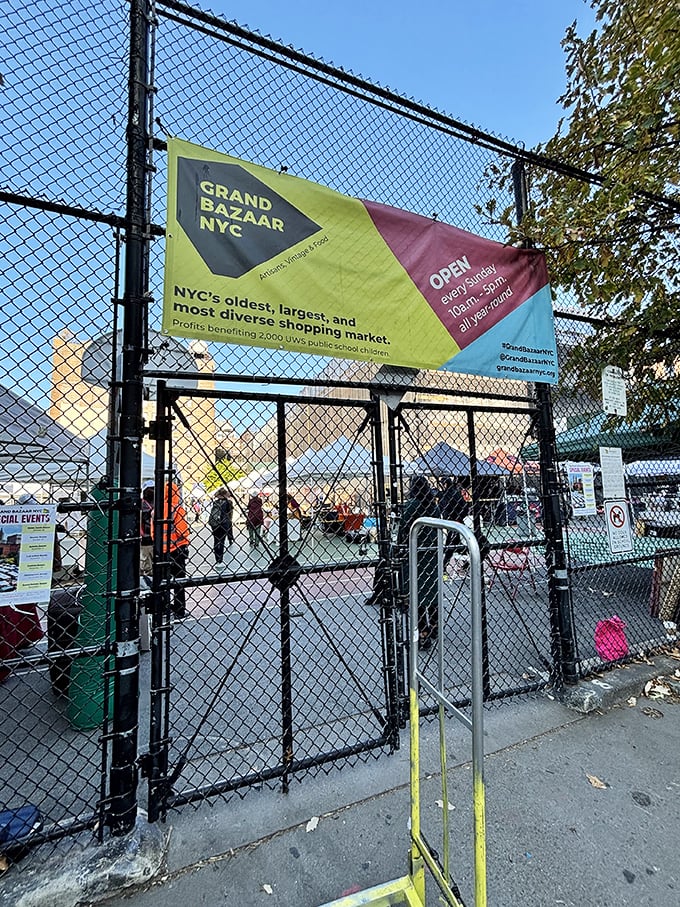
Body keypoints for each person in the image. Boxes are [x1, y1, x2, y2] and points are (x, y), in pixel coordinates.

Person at [398, 475, 441, 650]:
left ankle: (422, 635)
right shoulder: (433, 506)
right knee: (431, 592)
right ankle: (435, 627)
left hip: (416, 554)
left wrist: (400, 544)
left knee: (417, 595)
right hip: (432, 553)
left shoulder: (412, 505)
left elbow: (403, 528)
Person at [152, 482, 190, 619]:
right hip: (177, 549)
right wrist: (185, 538)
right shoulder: (177, 509)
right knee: (179, 582)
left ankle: (163, 608)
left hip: (161, 551)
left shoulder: (156, 509)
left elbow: (152, 532)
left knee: (163, 581)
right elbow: (182, 530)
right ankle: (180, 610)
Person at [438, 477, 470, 575]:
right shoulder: (455, 493)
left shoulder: (448, 495)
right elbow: (465, 507)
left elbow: (443, 509)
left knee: (450, 545)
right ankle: (467, 563)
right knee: (457, 543)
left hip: (453, 522)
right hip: (456, 522)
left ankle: (443, 566)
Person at [208, 487, 234, 570]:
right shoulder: (228, 502)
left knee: (216, 540)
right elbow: (230, 514)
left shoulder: (215, 503)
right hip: (224, 523)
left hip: (215, 524)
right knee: (221, 541)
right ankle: (220, 560)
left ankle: (217, 559)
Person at [140, 483, 154, 578]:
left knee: (145, 564)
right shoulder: (159, 503)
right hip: (150, 538)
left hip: (146, 539)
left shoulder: (141, 504)